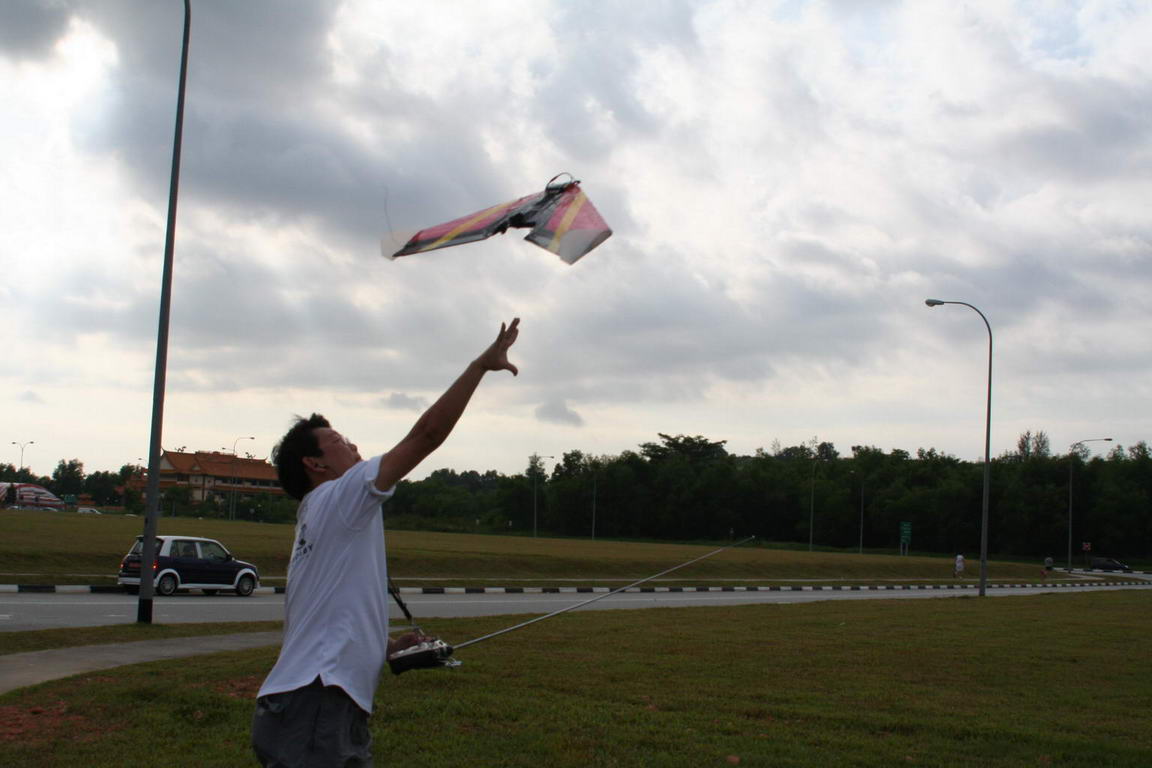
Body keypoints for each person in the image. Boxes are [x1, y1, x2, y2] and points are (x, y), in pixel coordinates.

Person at [251, 318, 520, 767]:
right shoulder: (340, 496)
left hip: (312, 703)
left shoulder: (320, 516)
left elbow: (329, 619)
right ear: (313, 463)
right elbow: (426, 436)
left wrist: (386, 646)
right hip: (317, 703)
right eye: (339, 441)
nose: (353, 446)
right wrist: (480, 365)